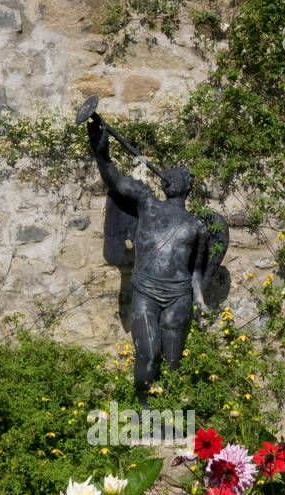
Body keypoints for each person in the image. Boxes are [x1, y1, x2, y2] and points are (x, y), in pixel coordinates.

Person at [87, 115, 210, 405]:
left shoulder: (197, 227)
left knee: (172, 361)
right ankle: (143, 407)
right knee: (148, 352)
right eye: (166, 173)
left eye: (175, 174)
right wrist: (101, 152)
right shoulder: (147, 202)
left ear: (186, 185)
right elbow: (115, 180)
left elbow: (196, 271)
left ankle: (170, 412)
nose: (167, 175)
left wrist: (200, 299)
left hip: (178, 295)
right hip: (146, 291)